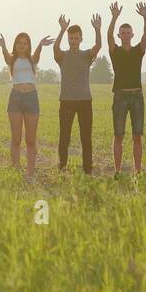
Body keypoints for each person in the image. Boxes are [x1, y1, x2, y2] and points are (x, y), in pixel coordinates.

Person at [0, 30, 54, 179]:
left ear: (28, 46)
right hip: (15, 98)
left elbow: (37, 55)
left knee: (31, 140)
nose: (22, 45)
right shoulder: (12, 60)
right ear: (16, 44)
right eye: (19, 42)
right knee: (16, 139)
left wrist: (40, 45)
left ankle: (30, 173)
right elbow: (6, 56)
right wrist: (2, 45)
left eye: (25, 43)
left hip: (31, 98)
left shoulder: (32, 60)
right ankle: (16, 170)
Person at [53, 13, 103, 174]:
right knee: (64, 137)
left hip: (84, 101)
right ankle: (62, 167)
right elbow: (55, 48)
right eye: (71, 38)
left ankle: (87, 169)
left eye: (76, 38)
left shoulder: (86, 56)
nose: (73, 41)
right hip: (66, 101)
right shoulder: (63, 57)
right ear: (68, 39)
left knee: (86, 138)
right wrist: (62, 30)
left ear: (81, 39)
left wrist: (97, 29)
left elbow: (98, 46)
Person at [108, 1, 146, 175]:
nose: (125, 35)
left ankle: (138, 171)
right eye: (122, 33)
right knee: (118, 135)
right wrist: (114, 18)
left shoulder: (138, 50)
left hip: (137, 96)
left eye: (128, 33)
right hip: (120, 96)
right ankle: (117, 171)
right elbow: (108, 36)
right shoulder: (114, 50)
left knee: (137, 136)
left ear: (132, 35)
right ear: (119, 35)